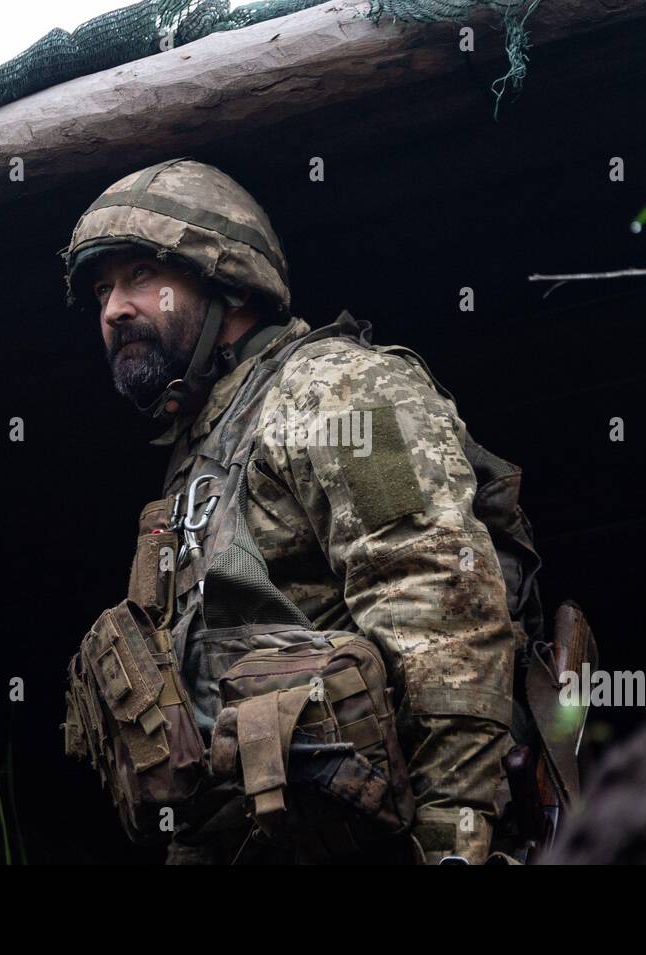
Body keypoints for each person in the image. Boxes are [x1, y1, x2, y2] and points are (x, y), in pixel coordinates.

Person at [62, 157, 517, 864]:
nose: (113, 308)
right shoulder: (201, 449)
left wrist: (453, 840)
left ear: (227, 280)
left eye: (141, 276)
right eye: (101, 289)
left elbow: (442, 607)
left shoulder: (331, 389)